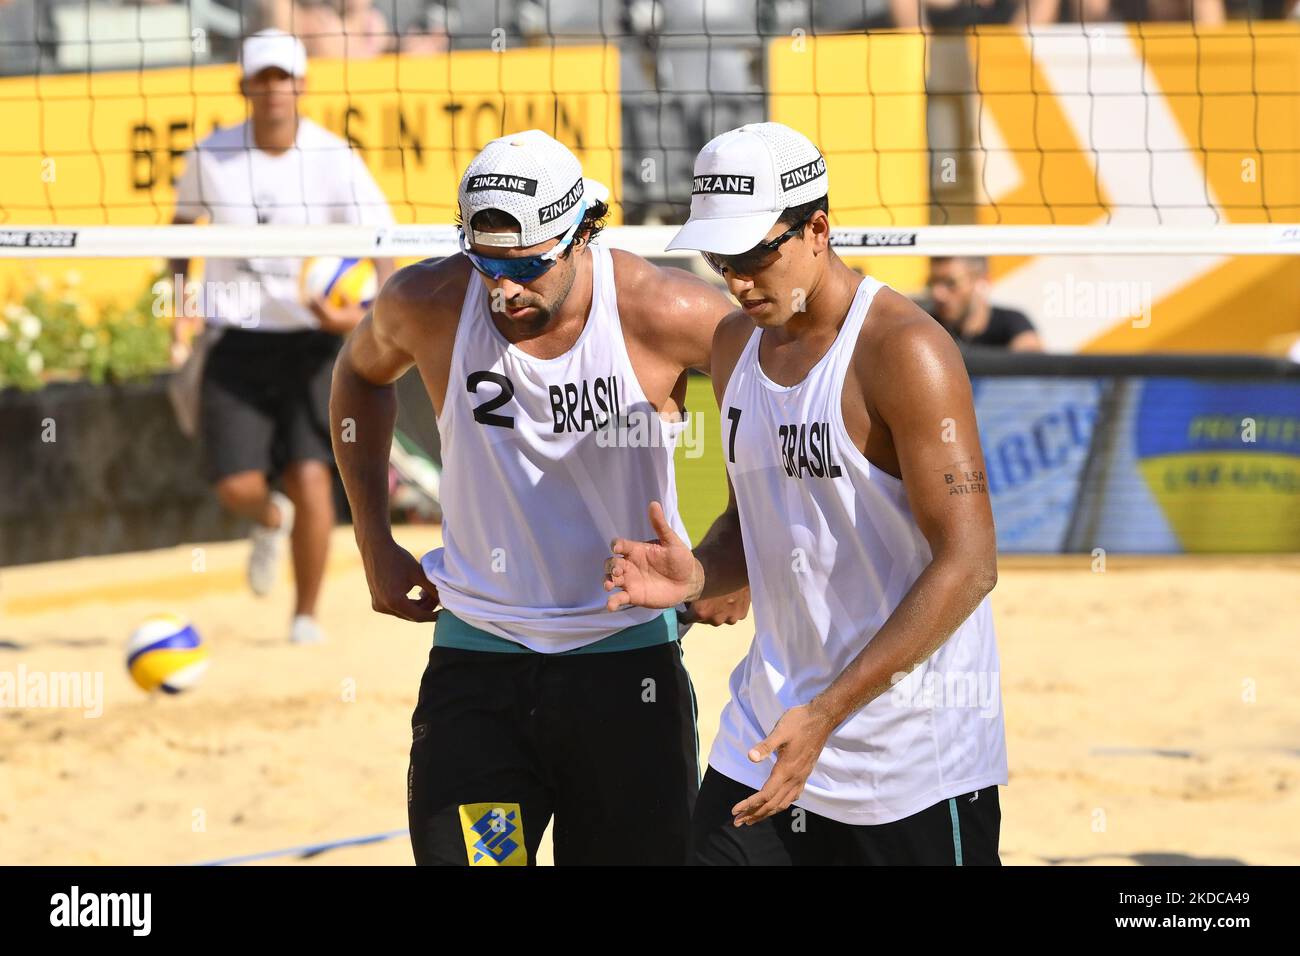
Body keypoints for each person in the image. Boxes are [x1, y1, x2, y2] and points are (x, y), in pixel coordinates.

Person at [329, 129, 749, 865]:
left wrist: (728, 559)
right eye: (484, 261)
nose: (503, 288)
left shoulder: (665, 311)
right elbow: (358, 378)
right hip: (479, 664)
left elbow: (787, 403)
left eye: (525, 265)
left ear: (583, 231)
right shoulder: (428, 301)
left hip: (623, 667)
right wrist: (373, 543)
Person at [604, 122, 1008, 865]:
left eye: (756, 253)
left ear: (817, 229)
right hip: (767, 729)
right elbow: (751, 528)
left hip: (909, 759)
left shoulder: (904, 351)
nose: (736, 278)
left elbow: (971, 562)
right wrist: (698, 572)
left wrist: (827, 714)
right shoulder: (732, 347)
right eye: (720, 257)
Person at [168, 29, 395, 644]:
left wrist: (369, 316)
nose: (272, 89)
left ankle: (305, 617)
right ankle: (270, 519)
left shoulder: (332, 158)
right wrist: (179, 309)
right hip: (236, 334)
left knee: (312, 472)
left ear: (300, 85)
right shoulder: (210, 155)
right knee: (235, 485)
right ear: (243, 85)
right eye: (261, 77)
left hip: (313, 339)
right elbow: (181, 230)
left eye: (283, 77)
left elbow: (386, 246)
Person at [927, 255, 1044, 351]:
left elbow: (1033, 361)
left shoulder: (1013, 322)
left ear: (982, 282)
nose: (937, 294)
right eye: (932, 283)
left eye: (950, 283)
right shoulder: (927, 327)